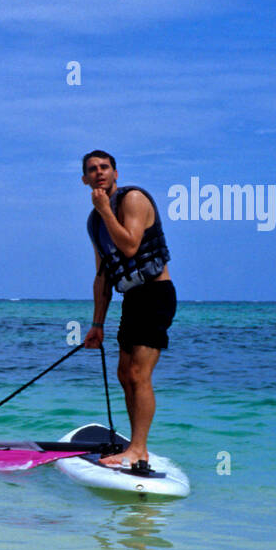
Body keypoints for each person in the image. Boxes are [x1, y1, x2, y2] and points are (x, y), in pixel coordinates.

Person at [79, 150, 176, 470]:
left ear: (116, 173)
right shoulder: (95, 222)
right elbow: (103, 276)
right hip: (132, 298)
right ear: (85, 179)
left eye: (104, 167)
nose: (99, 173)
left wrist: (106, 210)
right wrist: (97, 324)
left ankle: (139, 449)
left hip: (156, 294)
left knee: (139, 373)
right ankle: (136, 446)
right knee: (124, 374)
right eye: (92, 170)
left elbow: (131, 246)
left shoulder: (132, 200)